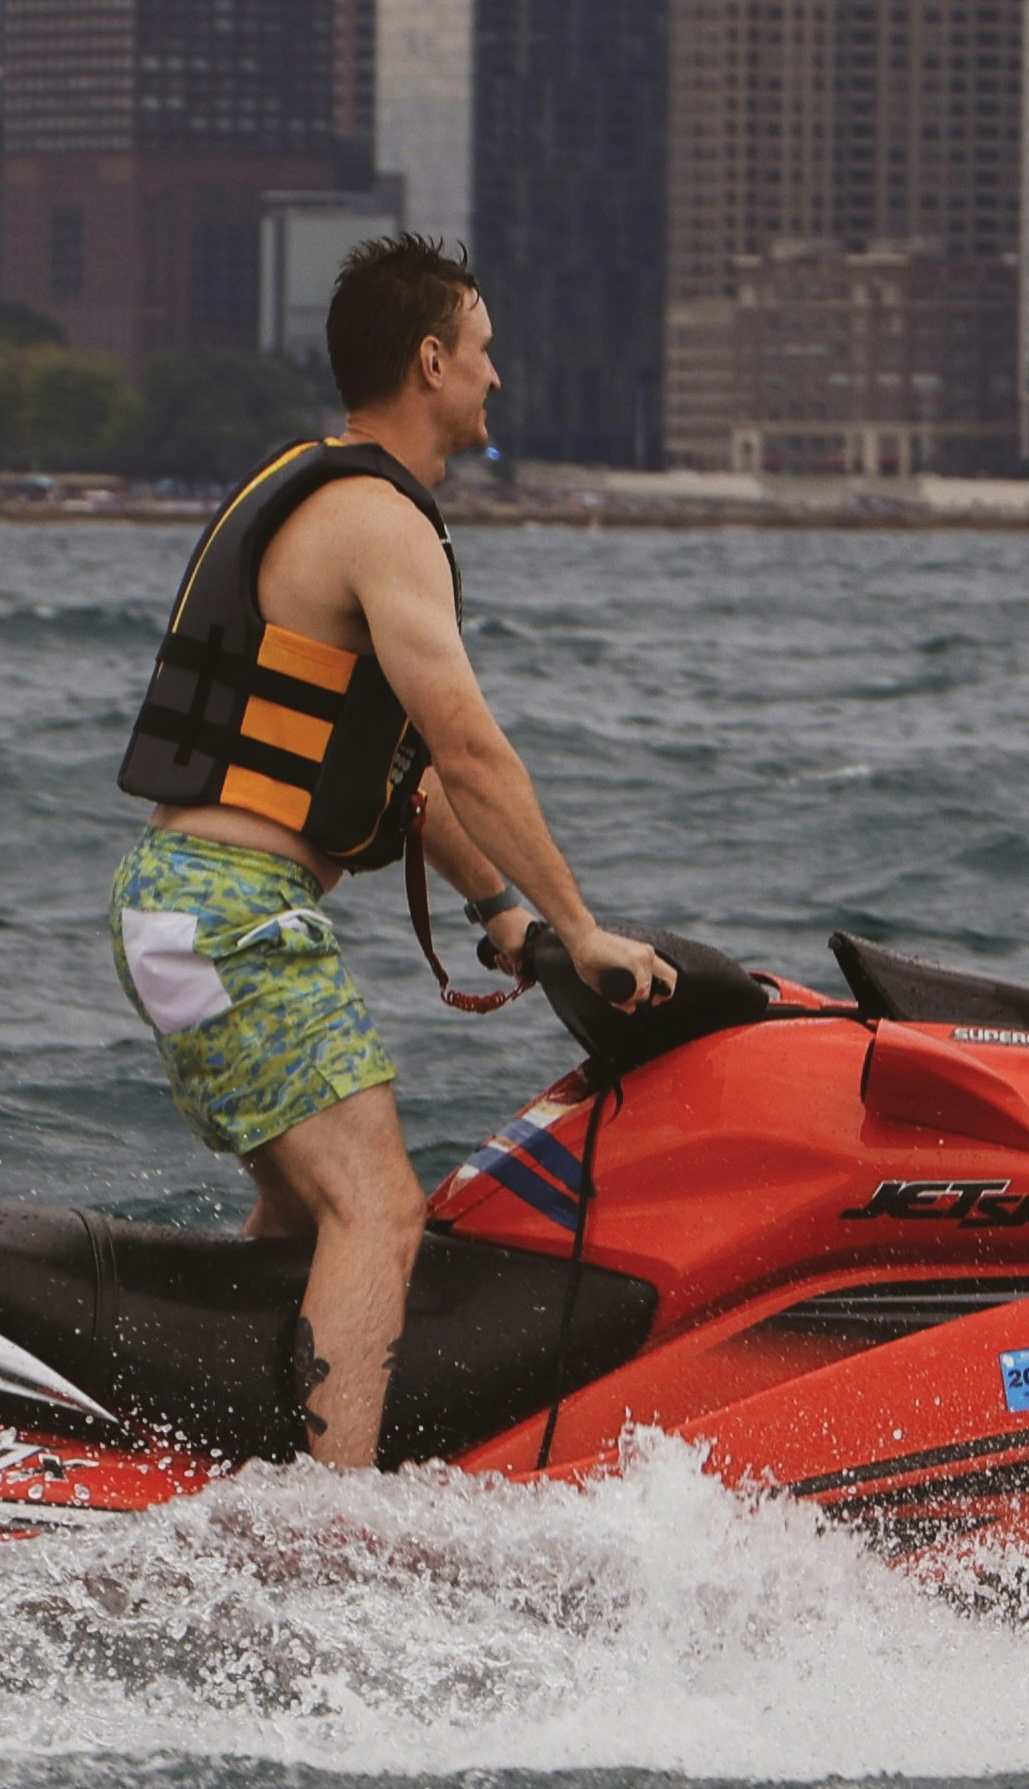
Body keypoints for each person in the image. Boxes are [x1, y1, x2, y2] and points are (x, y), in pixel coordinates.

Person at [110, 230, 675, 1470]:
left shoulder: (322, 491)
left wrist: (502, 914)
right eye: (482, 353)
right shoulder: (379, 520)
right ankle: (331, 1526)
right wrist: (582, 927)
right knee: (377, 1206)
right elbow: (469, 751)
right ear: (430, 360)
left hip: (178, 909)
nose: (496, 378)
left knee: (299, 1207)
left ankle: (209, 1447)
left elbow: (399, 784)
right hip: (232, 916)